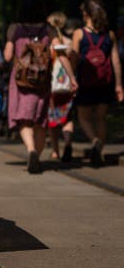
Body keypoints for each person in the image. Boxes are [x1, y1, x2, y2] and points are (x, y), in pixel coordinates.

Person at [4, 15, 77, 173]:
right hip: (42, 82)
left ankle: (31, 151)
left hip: (20, 82)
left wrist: (11, 40)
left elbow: (8, 56)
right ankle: (37, 153)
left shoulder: (14, 28)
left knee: (24, 120)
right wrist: (71, 77)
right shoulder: (48, 30)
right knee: (40, 121)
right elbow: (61, 54)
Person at [71, 0, 123, 166]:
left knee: (83, 117)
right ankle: (98, 153)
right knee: (101, 118)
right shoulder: (110, 35)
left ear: (86, 14)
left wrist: (72, 78)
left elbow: (73, 58)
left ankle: (94, 141)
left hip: (85, 82)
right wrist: (119, 85)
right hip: (104, 83)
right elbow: (115, 61)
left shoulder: (79, 34)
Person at [45, 12, 78, 161]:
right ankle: (68, 144)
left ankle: (55, 150)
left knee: (53, 119)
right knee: (67, 118)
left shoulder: (50, 43)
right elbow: (75, 62)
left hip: (52, 86)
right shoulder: (69, 43)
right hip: (67, 85)